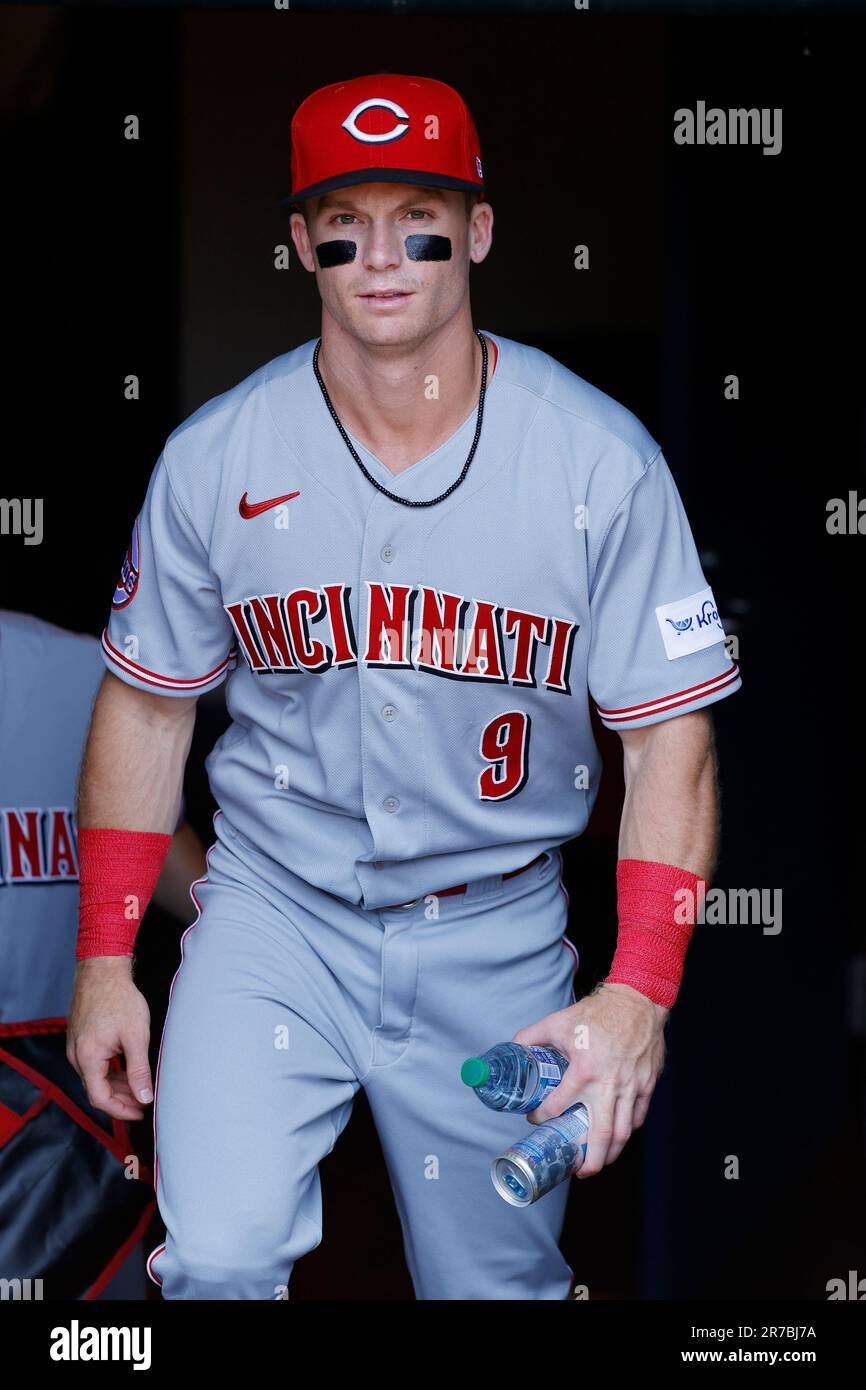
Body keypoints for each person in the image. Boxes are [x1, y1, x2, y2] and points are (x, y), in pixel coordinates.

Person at [66, 73, 741, 1301]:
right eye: (343, 221)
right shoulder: (216, 457)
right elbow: (147, 704)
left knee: (493, 1291)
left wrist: (639, 987)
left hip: (494, 936)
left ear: (477, 231)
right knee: (212, 1260)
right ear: (300, 245)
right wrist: (105, 962)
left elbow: (667, 742)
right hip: (272, 916)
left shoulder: (599, 459)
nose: (380, 255)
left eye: (418, 215)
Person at [0, 608, 206, 1299]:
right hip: (78, 1111)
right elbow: (184, 876)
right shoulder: (97, 667)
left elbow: (164, 855)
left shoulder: (102, 672)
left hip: (73, 1108)